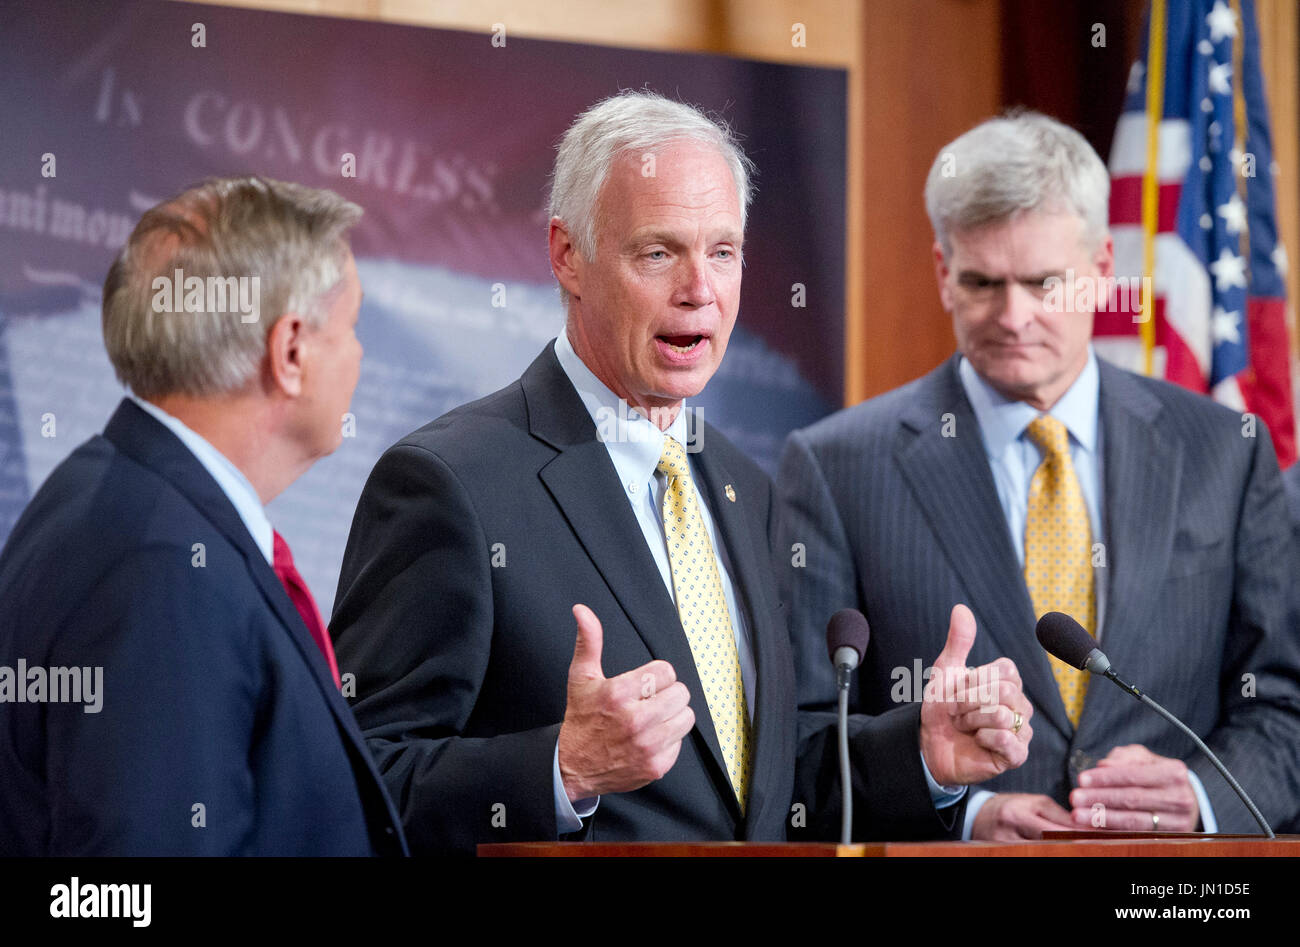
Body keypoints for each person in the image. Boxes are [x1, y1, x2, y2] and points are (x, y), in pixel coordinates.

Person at [331, 91, 1034, 856]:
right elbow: (355, 776)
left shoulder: (744, 487)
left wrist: (921, 753)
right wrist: (561, 768)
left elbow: (765, 788)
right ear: (568, 255)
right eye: (659, 252)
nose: (700, 289)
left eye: (723, 251)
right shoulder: (451, 483)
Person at [776, 111, 1300, 839]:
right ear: (942, 273)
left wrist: (1205, 795)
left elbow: (1285, 700)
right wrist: (960, 806)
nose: (1014, 316)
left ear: (1102, 268)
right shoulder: (834, 466)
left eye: (1043, 282)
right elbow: (800, 745)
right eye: (984, 281)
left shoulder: (1225, 449)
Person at [0, 176, 406, 855]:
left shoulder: (110, 495)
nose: (361, 353)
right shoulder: (163, 572)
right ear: (292, 352)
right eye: (352, 326)